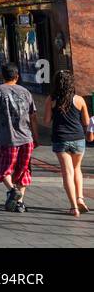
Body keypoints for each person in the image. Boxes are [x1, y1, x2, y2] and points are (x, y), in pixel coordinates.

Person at [0, 63, 38, 212]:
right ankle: (20, 203)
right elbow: (33, 117)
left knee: (3, 168)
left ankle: (12, 190)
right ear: (17, 76)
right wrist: (36, 137)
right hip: (27, 138)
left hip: (6, 139)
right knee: (24, 170)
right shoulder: (26, 92)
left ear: (2, 76)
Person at [44, 69, 92, 216]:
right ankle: (80, 198)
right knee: (77, 169)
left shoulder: (51, 99)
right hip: (78, 138)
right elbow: (86, 121)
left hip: (60, 139)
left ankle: (73, 207)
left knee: (67, 172)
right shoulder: (79, 100)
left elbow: (46, 122)